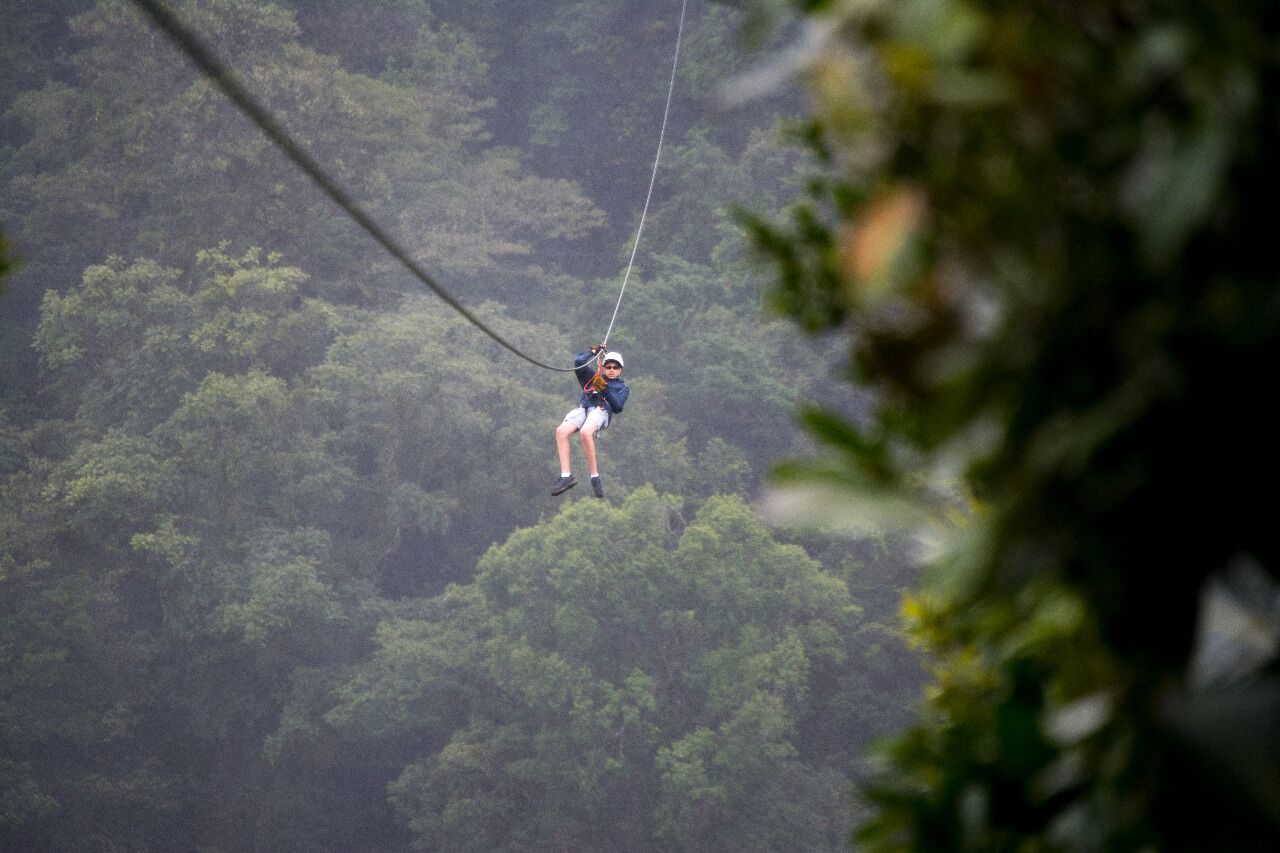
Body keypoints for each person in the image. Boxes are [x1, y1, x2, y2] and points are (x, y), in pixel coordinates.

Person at [552, 344, 629, 497]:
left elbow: (618, 406)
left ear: (620, 370)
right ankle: (566, 476)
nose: (612, 369)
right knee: (561, 432)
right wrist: (593, 351)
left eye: (615, 367)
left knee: (585, 433)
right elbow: (579, 363)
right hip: (584, 408)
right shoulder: (593, 378)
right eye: (609, 366)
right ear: (604, 367)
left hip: (601, 411)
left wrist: (605, 388)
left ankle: (595, 477)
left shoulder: (622, 387)